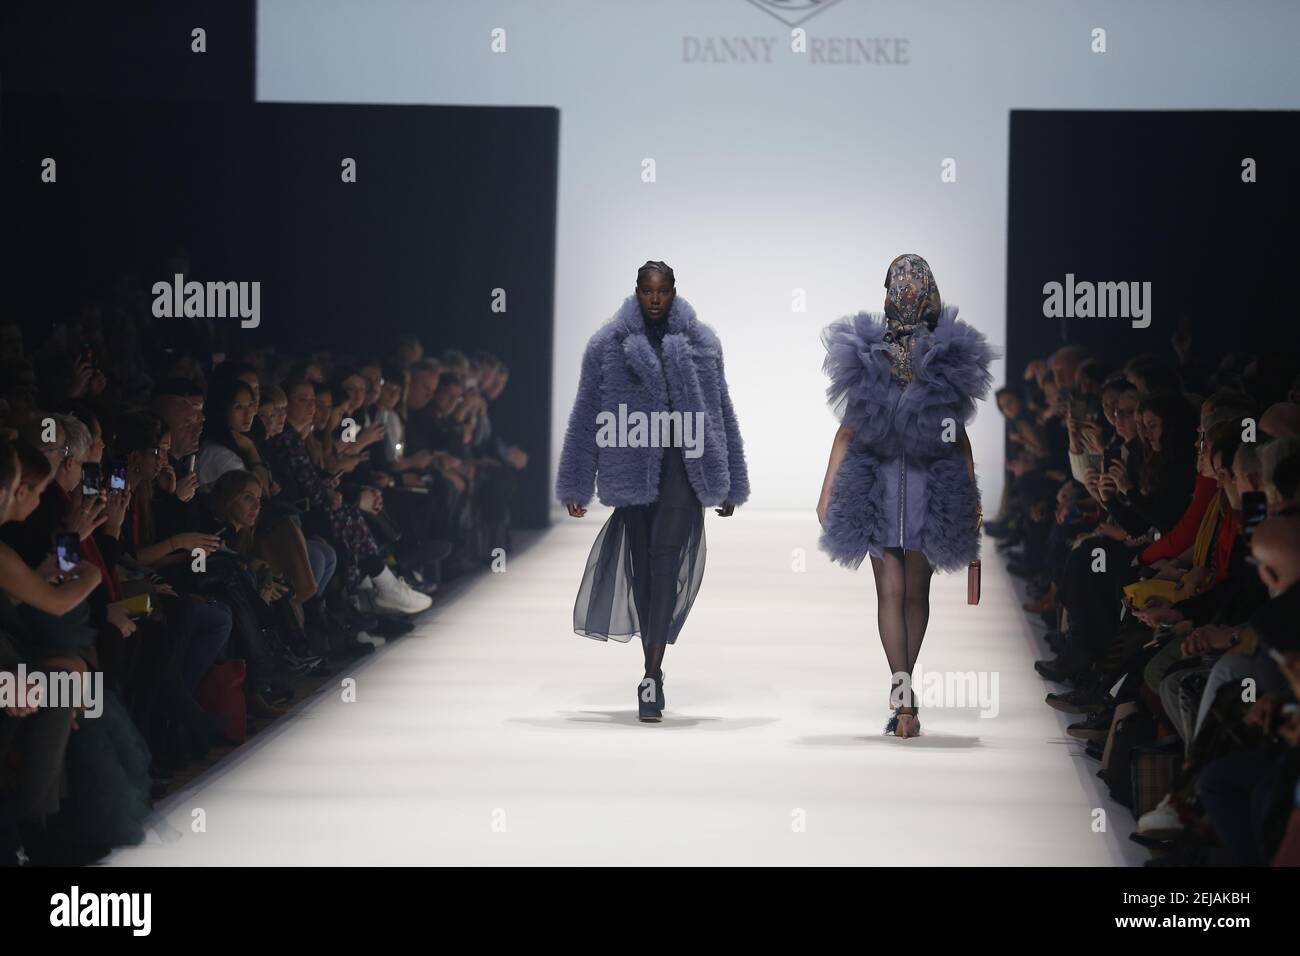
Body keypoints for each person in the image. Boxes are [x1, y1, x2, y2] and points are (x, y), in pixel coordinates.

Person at [556, 260, 750, 722]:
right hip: (631, 463)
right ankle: (652, 663)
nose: (655, 298)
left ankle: (651, 673)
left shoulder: (703, 343)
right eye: (647, 290)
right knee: (642, 566)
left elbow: (720, 409)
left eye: (662, 290)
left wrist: (730, 481)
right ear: (638, 291)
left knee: (664, 562)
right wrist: (577, 481)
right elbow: (587, 413)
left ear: (674, 291)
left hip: (684, 467)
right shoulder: (607, 345)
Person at [816, 254, 995, 737]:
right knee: (917, 593)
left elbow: (848, 430)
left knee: (890, 593)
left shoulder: (867, 354)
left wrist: (828, 489)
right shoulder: (949, 356)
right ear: (930, 292)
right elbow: (957, 435)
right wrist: (970, 496)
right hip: (929, 486)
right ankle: (906, 692)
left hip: (876, 484)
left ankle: (902, 694)